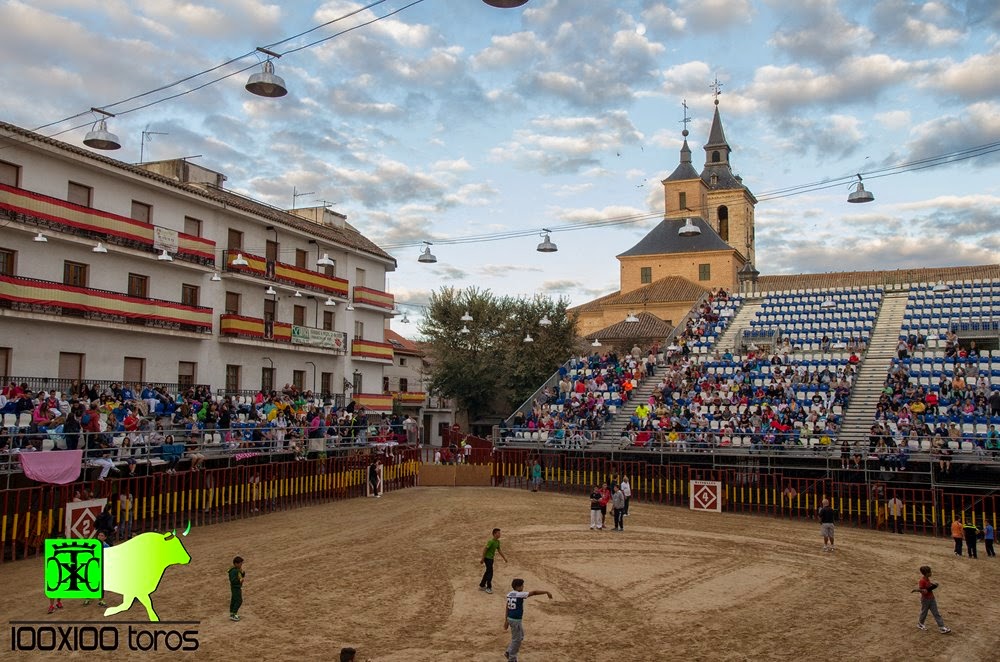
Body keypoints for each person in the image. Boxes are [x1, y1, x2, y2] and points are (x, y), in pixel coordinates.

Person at [503, 578, 552, 662]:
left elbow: (507, 606)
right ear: (518, 587)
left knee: (520, 636)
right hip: (515, 621)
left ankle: (509, 651)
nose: (523, 587)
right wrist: (546, 592)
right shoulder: (519, 594)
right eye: (522, 585)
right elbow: (534, 593)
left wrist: (506, 620)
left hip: (511, 619)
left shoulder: (509, 594)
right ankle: (512, 658)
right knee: (517, 640)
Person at [913, 566, 951, 634]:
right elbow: (923, 590)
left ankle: (942, 627)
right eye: (930, 572)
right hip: (925, 600)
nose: (931, 573)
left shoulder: (927, 579)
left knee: (936, 613)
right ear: (926, 573)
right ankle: (920, 624)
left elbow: (928, 587)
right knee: (924, 612)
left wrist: (933, 585)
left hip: (932, 599)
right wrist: (929, 588)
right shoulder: (922, 581)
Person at [479, 527, 507, 594]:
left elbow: (499, 550)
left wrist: (504, 558)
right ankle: (488, 587)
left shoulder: (497, 542)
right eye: (498, 533)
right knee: (490, 573)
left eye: (500, 533)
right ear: (494, 534)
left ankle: (482, 585)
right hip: (487, 559)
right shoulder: (491, 541)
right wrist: (482, 558)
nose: (500, 534)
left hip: (491, 559)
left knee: (488, 572)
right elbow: (485, 549)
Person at [229, 556, 245, 621]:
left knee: (234, 600)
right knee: (239, 601)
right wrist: (239, 581)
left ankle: (232, 613)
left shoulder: (237, 569)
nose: (241, 565)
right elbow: (232, 581)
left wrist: (243, 573)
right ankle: (234, 614)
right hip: (235, 588)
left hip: (236, 587)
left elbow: (240, 575)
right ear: (236, 563)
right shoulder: (233, 571)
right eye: (240, 564)